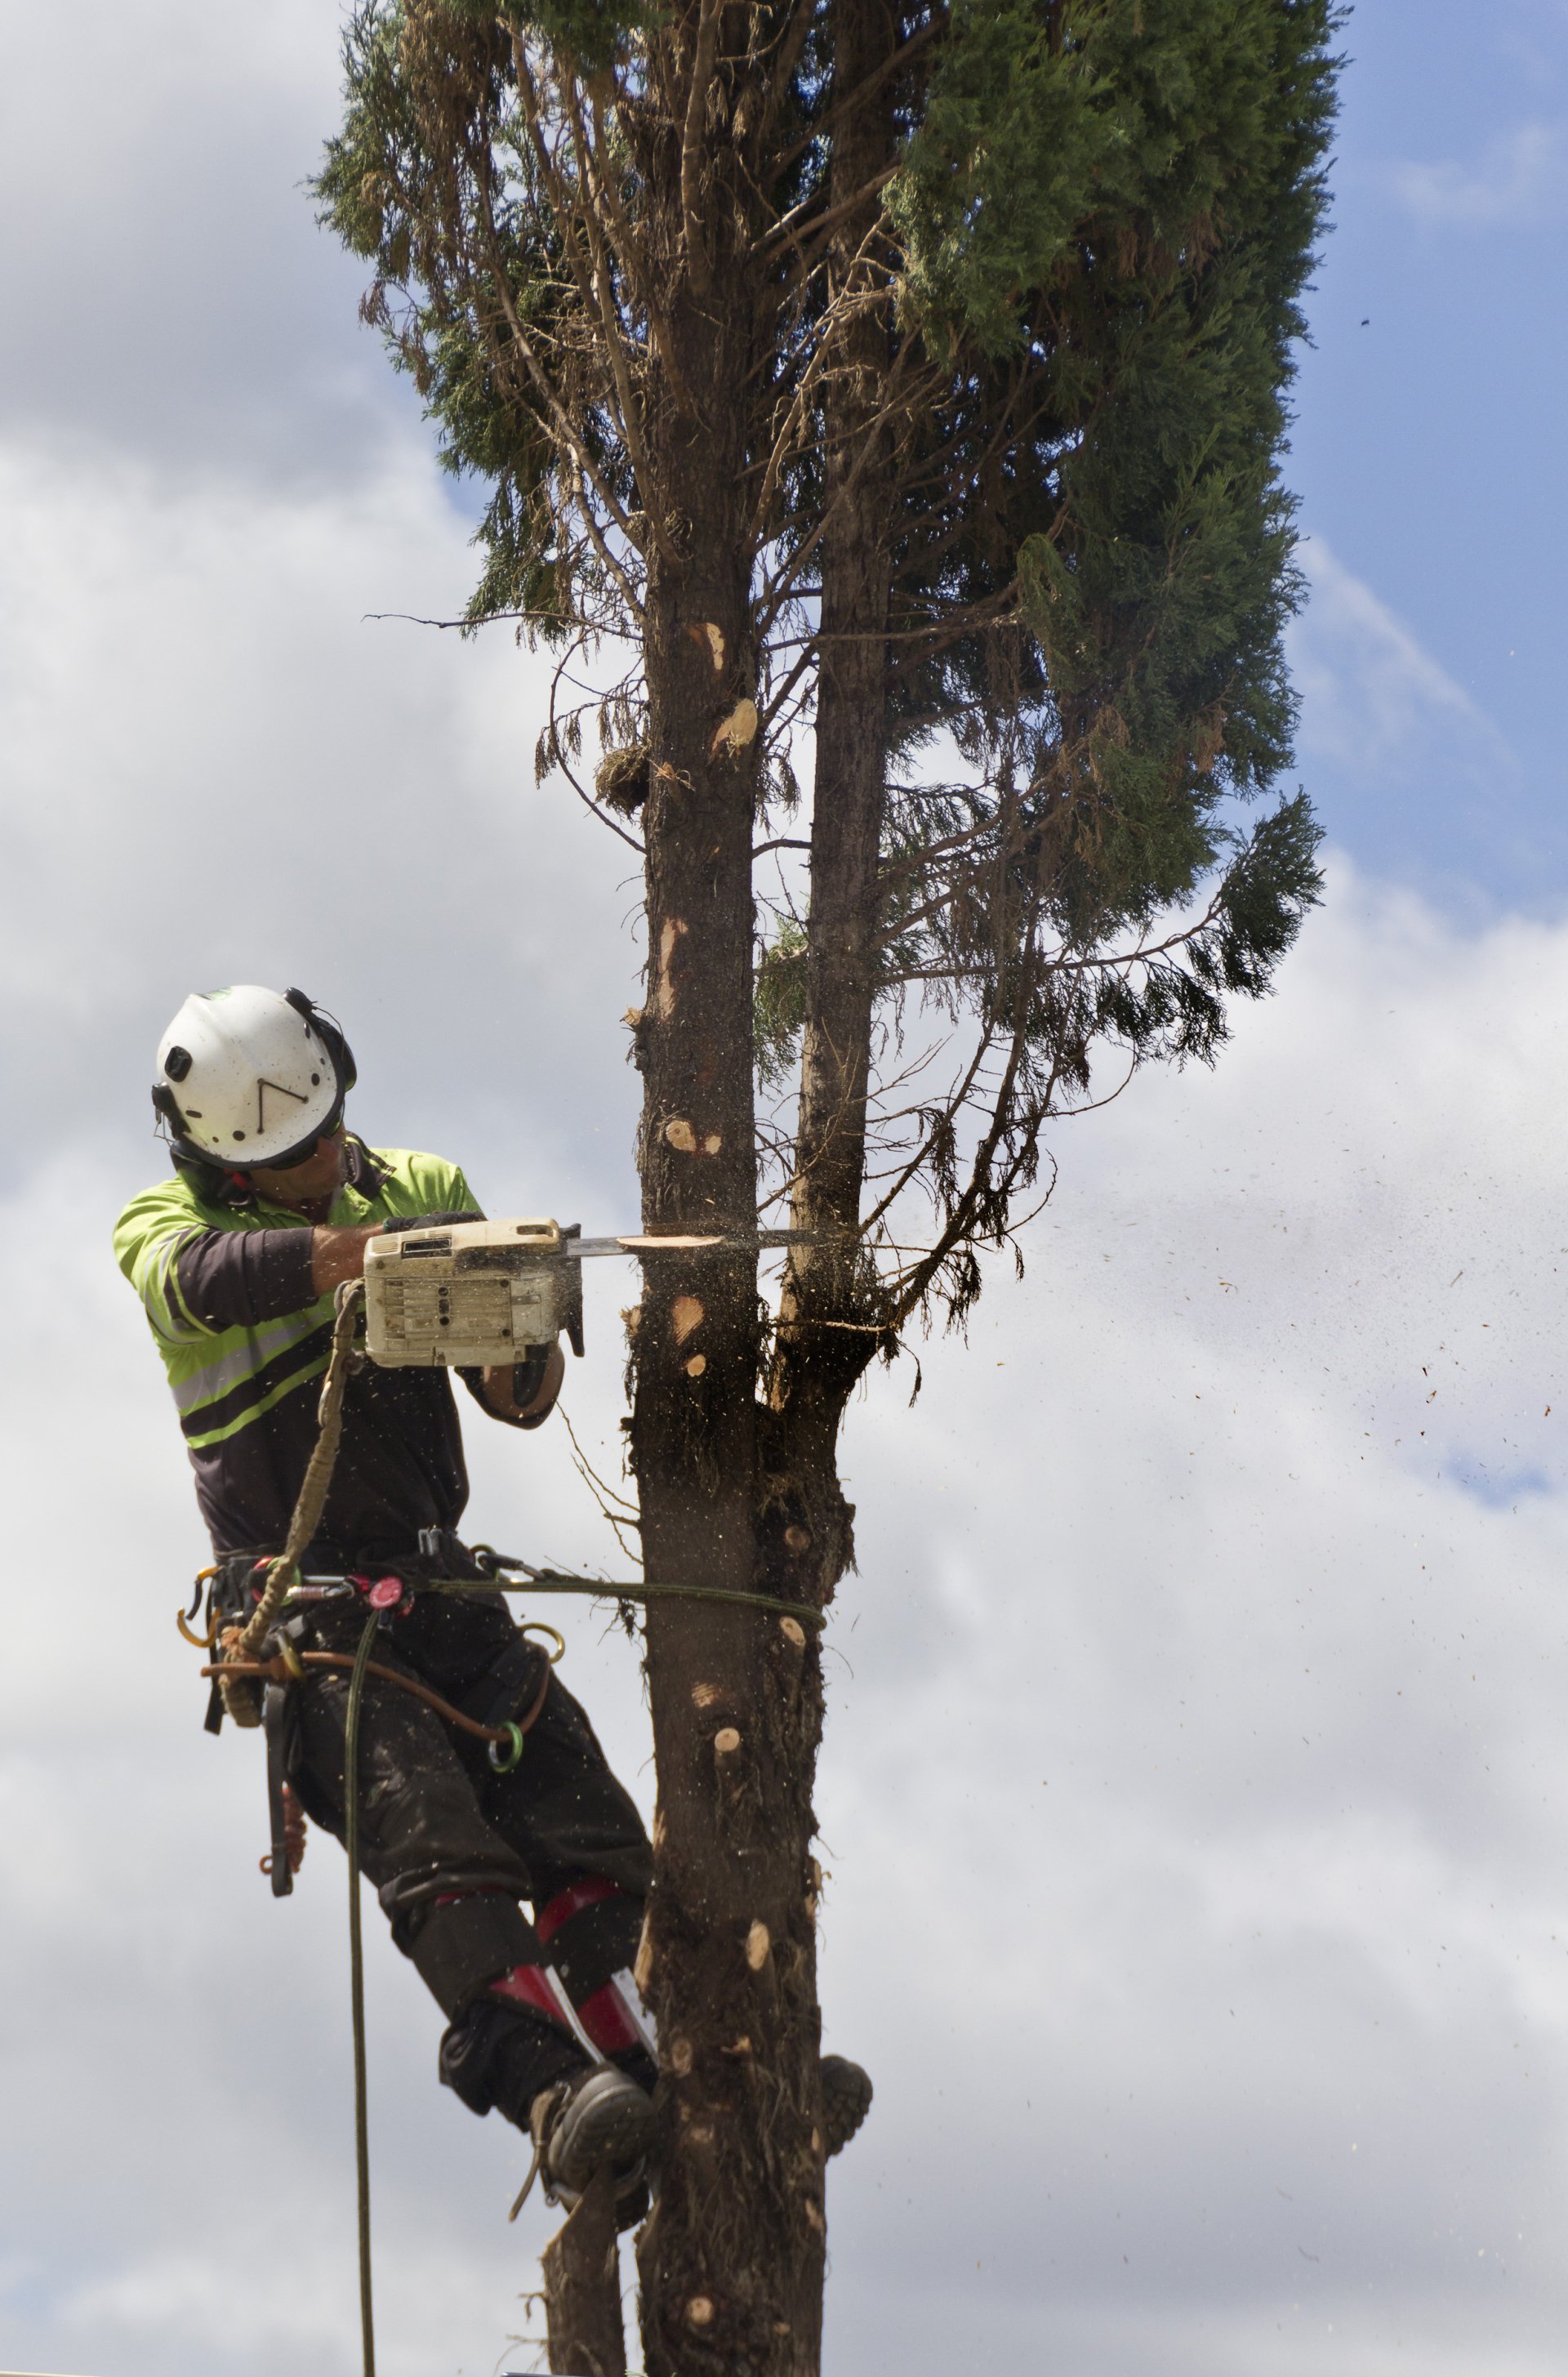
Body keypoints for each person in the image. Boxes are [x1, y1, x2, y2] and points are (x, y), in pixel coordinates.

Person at [114, 984, 869, 2218]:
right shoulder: (164, 1222)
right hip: (307, 1615)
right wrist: (361, 1262)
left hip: (442, 1583)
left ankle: (710, 2071)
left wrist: (510, 1328)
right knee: (442, 1858)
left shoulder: (418, 1182)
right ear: (210, 1153)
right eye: (276, 1159)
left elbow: (520, 1404)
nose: (310, 1167)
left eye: (318, 1138)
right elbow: (200, 1280)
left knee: (590, 1834)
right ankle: (556, 2092)